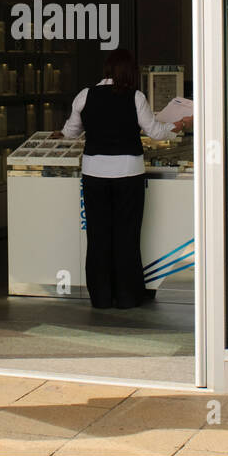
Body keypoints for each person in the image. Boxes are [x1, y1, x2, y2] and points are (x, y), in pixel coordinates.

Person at [59, 50, 191, 310]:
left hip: (94, 173)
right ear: (129, 72)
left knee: (98, 235)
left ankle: (101, 297)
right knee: (127, 235)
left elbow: (70, 133)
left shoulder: (85, 95)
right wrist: (179, 124)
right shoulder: (136, 97)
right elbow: (155, 132)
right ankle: (128, 296)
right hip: (128, 173)